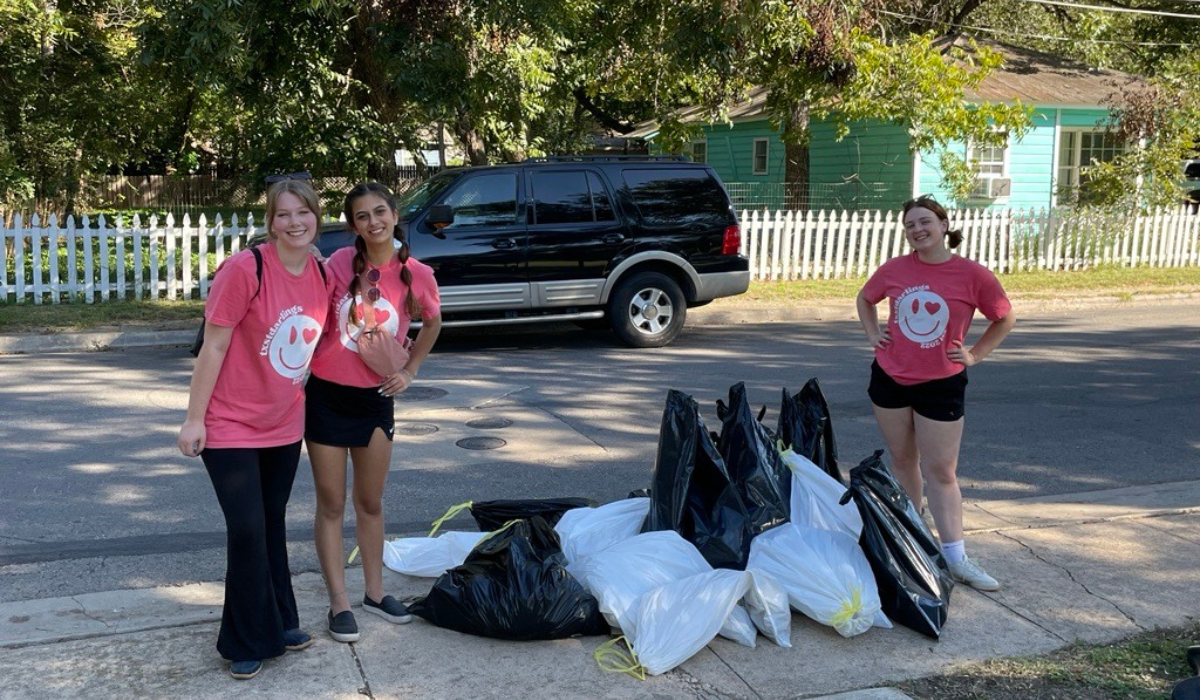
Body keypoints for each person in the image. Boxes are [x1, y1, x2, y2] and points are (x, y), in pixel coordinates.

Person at [177, 178, 329, 680]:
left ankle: (280, 620)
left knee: (271, 521)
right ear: (271, 221)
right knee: (246, 529)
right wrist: (194, 419)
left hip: (284, 422)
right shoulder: (246, 268)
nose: (294, 222)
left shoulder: (321, 272)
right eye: (283, 214)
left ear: (316, 216)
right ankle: (245, 640)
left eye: (303, 212)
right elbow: (214, 346)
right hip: (229, 422)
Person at [856, 195, 1016, 591]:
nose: (917, 230)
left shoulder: (973, 275)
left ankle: (956, 558)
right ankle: (913, 543)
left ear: (943, 225)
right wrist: (873, 334)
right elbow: (865, 298)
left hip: (942, 383)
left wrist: (975, 355)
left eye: (925, 221)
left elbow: (1004, 316)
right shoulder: (894, 269)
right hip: (890, 377)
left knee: (941, 472)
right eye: (910, 225)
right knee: (902, 461)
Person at [305, 182, 442, 643]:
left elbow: (433, 322)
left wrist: (410, 370)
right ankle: (339, 602)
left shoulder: (416, 273)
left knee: (370, 502)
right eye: (362, 216)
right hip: (326, 396)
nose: (373, 222)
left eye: (380, 211)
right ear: (353, 225)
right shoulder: (339, 263)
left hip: (375, 399)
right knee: (331, 504)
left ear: (395, 214)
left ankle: (375, 593)